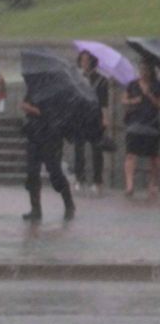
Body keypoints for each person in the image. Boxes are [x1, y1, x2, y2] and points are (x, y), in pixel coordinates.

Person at [20, 86, 75, 222]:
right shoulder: (34, 89)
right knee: (32, 172)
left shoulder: (57, 91)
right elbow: (26, 103)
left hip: (51, 137)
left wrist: (32, 109)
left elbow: (52, 113)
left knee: (55, 172)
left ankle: (69, 204)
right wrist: (27, 106)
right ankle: (35, 208)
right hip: (33, 135)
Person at [122, 55, 160, 199]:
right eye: (141, 69)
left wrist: (149, 95)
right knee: (131, 154)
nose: (143, 72)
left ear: (151, 71)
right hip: (134, 124)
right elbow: (124, 100)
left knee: (154, 158)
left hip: (152, 125)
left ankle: (152, 184)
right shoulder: (132, 84)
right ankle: (130, 185)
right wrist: (134, 100)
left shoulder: (157, 85)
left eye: (146, 70)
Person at [73, 51, 110, 196]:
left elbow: (104, 102)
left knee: (97, 151)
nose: (84, 63)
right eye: (82, 60)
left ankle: (97, 181)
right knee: (79, 150)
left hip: (95, 118)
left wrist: (105, 117)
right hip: (80, 117)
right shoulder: (77, 78)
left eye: (87, 60)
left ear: (92, 62)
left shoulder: (101, 80)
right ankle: (79, 179)